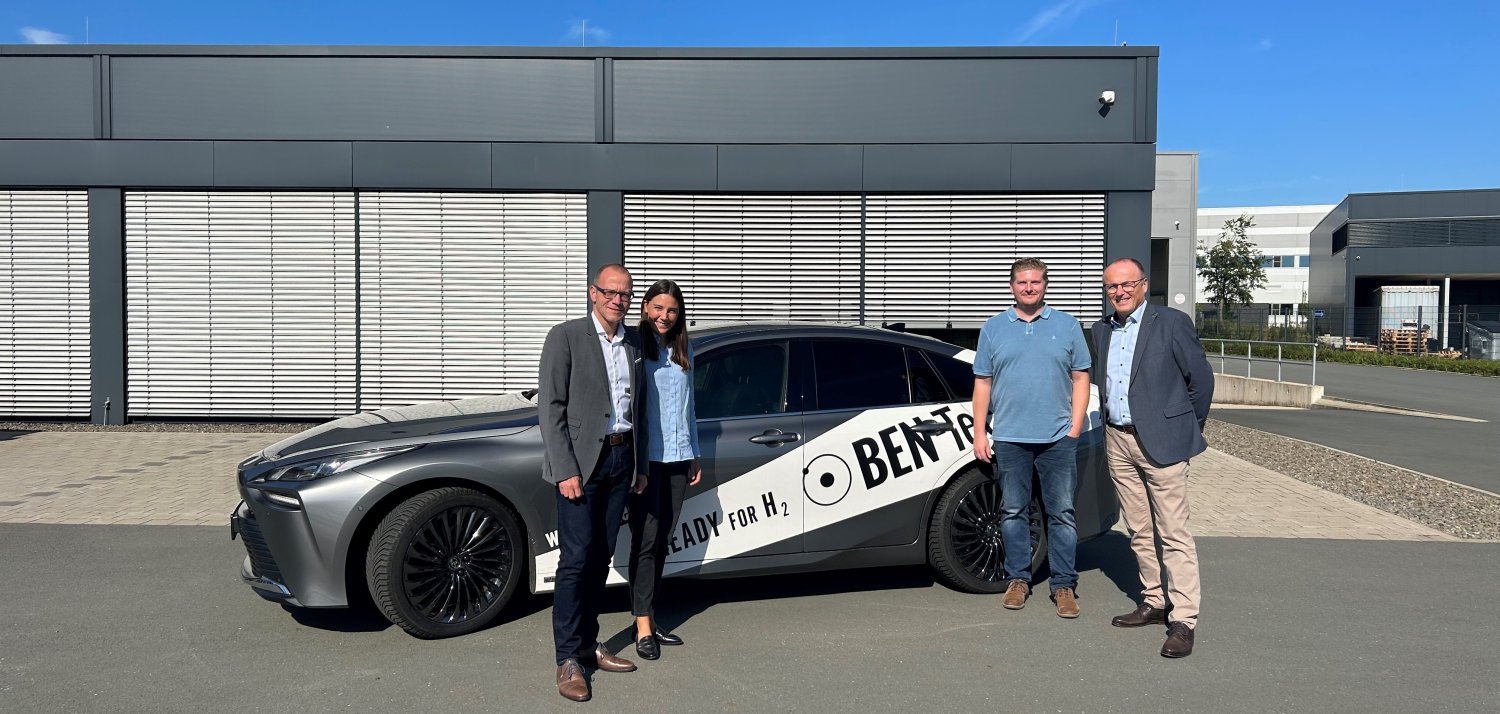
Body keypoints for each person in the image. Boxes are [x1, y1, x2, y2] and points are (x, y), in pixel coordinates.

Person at [1090, 257, 1214, 659]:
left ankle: (1184, 619)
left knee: (1173, 532)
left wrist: (1185, 430)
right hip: (1118, 440)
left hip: (1163, 443)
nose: (1119, 292)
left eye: (1127, 284)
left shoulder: (1171, 322)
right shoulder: (1101, 330)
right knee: (1139, 529)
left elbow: (1201, 381)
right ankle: (1154, 600)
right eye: (1112, 286)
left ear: (1144, 284)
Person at [539, 263, 650, 702]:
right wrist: (566, 469)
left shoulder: (635, 343)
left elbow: (638, 407)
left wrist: (639, 464)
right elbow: (551, 408)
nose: (617, 300)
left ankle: (589, 643)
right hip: (582, 465)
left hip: (623, 459)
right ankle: (568, 658)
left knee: (602, 555)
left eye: (624, 294)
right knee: (576, 558)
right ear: (593, 293)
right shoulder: (565, 336)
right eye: (609, 292)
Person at [972, 258, 1092, 619]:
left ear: (1045, 285)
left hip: (1057, 438)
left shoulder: (1067, 326)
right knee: (1012, 511)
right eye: (1022, 282)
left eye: (1035, 282)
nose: (1029, 288)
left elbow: (1081, 377)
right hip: (1009, 437)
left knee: (1062, 514)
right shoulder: (993, 329)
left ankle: (1063, 585)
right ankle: (1018, 580)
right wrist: (980, 431)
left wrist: (1074, 427)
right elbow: (982, 382)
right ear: (1012, 286)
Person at [626, 279, 702, 661]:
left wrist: (694, 455)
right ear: (644, 307)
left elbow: (690, 407)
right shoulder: (636, 348)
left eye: (671, 310)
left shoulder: (684, 349)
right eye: (658, 308)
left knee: (662, 540)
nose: (664, 316)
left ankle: (650, 616)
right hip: (647, 461)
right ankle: (642, 624)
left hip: (678, 458)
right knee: (646, 540)